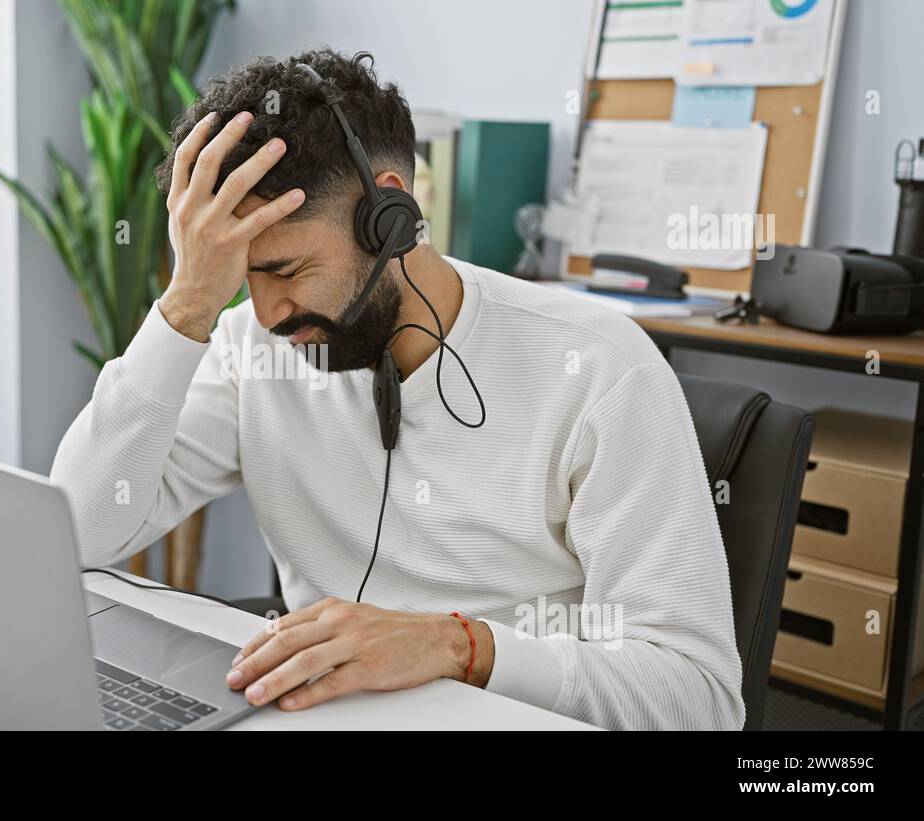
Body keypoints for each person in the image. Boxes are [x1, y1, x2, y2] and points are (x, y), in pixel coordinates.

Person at [52, 48, 745, 730]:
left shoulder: (599, 369)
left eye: (286, 267)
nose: (265, 314)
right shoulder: (251, 353)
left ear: (388, 216)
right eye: (238, 278)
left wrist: (458, 646)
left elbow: (698, 700)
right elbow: (80, 530)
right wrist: (188, 304)